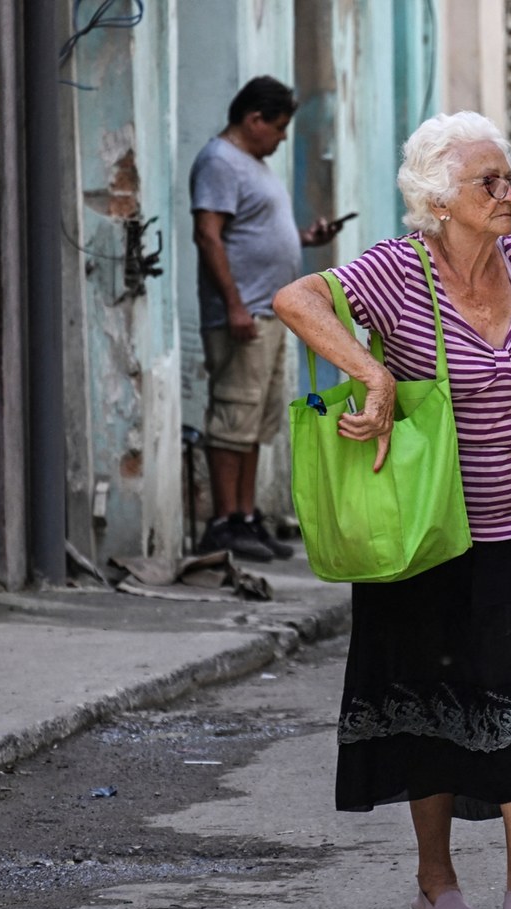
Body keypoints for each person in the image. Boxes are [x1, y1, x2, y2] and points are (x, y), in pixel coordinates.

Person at [272, 111, 511, 909]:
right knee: (424, 699)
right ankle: (436, 884)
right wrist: (372, 375)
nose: (507, 195)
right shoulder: (398, 270)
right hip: (420, 528)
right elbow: (294, 298)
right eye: (489, 183)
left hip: (505, 522)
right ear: (438, 197)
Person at [191, 76, 345, 562]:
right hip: (245, 314)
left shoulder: (252, 164)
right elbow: (209, 236)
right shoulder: (219, 161)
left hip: (267, 312)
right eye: (277, 128)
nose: (281, 138)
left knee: (257, 422)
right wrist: (235, 304)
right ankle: (222, 523)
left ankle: (246, 517)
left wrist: (302, 238)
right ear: (253, 119)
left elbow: (252, 232)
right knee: (233, 418)